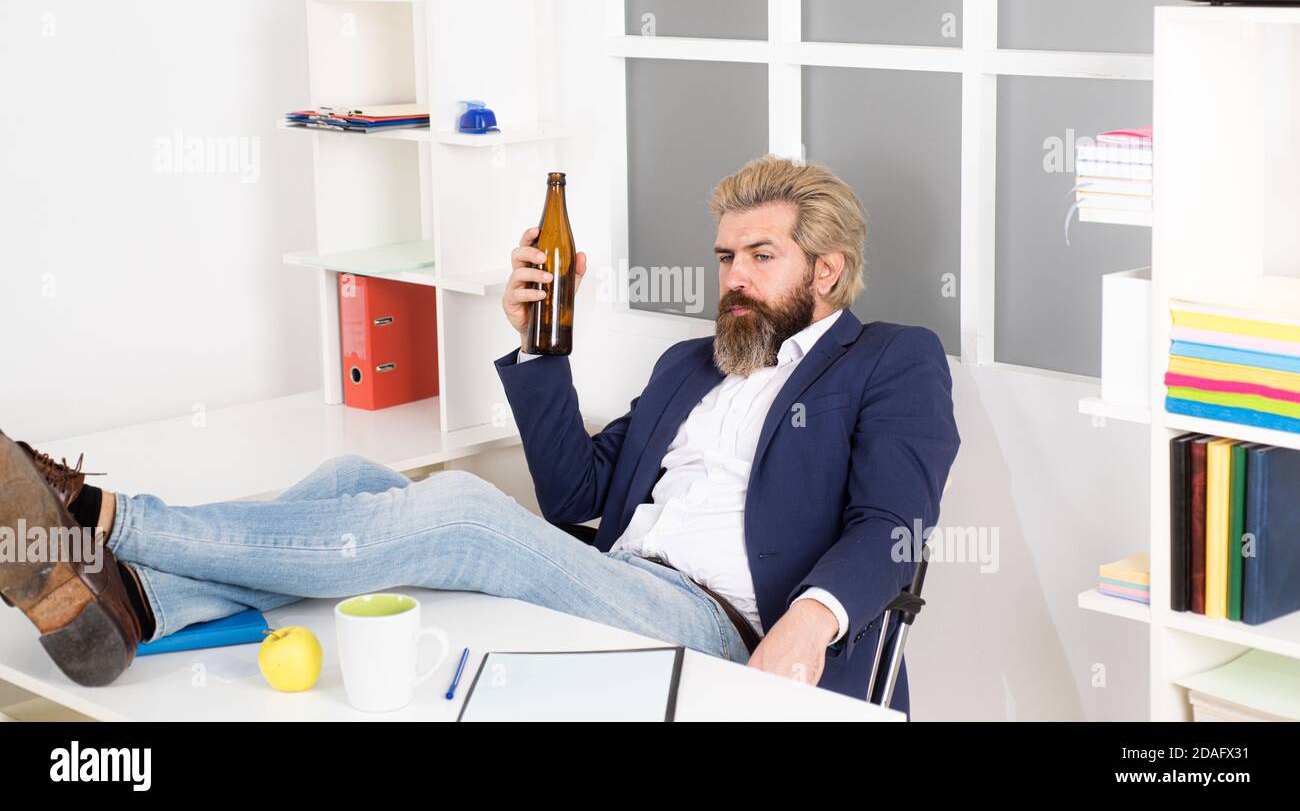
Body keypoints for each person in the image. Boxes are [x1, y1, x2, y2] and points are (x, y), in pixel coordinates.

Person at [0, 154, 959, 709]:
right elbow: (580, 499)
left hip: (721, 627)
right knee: (349, 475)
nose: (733, 277)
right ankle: (139, 606)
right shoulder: (690, 365)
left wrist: (809, 619)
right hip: (624, 579)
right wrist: (540, 350)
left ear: (826, 273)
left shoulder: (891, 360)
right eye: (724, 257)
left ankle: (101, 517)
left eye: (761, 256)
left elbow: (896, 524)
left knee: (460, 510)